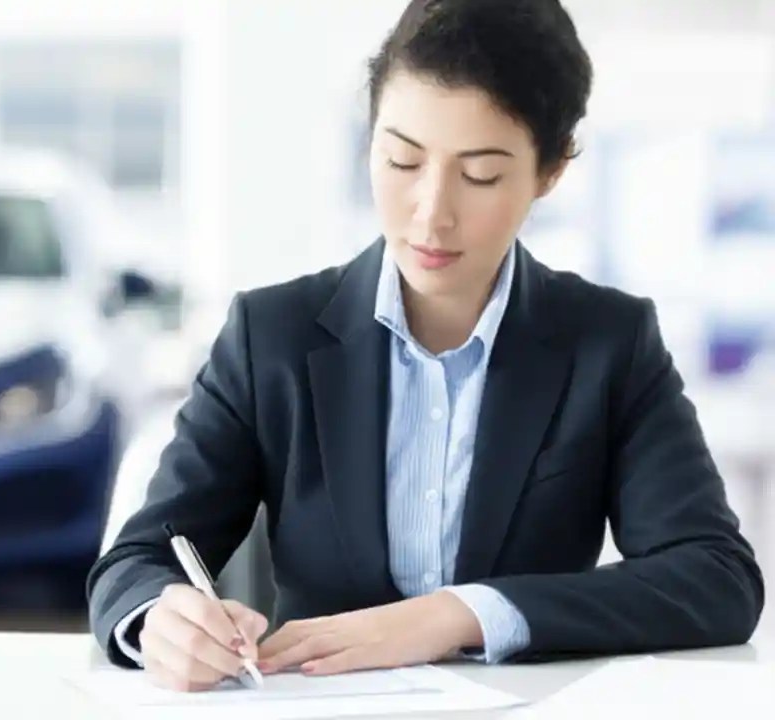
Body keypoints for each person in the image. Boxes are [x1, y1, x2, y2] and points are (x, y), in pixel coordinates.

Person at [86, 0, 765, 693]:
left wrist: (460, 614)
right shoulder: (273, 336)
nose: (430, 212)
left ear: (551, 170)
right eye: (402, 159)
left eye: (480, 176)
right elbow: (137, 562)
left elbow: (715, 577)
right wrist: (158, 620)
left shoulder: (607, 343)